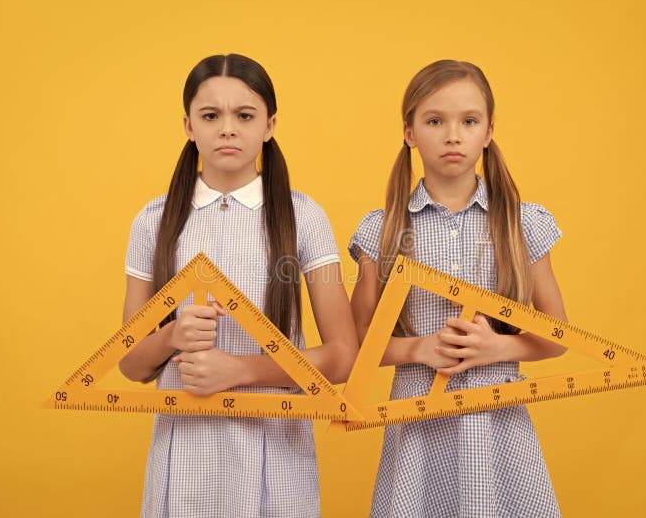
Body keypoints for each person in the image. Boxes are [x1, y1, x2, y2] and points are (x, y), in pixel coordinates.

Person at [118, 53, 358, 518]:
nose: (227, 129)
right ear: (188, 125)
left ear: (269, 124)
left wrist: (240, 370)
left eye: (244, 115)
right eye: (211, 115)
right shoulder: (153, 221)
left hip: (276, 456)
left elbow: (342, 356)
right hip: (183, 460)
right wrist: (171, 336)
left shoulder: (304, 217)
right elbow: (129, 363)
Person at [349, 59, 568, 517]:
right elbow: (357, 346)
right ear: (409, 132)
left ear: (488, 131)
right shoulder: (382, 232)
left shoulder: (522, 223)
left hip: (497, 419)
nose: (453, 135)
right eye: (434, 121)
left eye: (469, 121)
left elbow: (557, 336)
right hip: (416, 421)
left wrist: (497, 348)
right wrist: (419, 350)